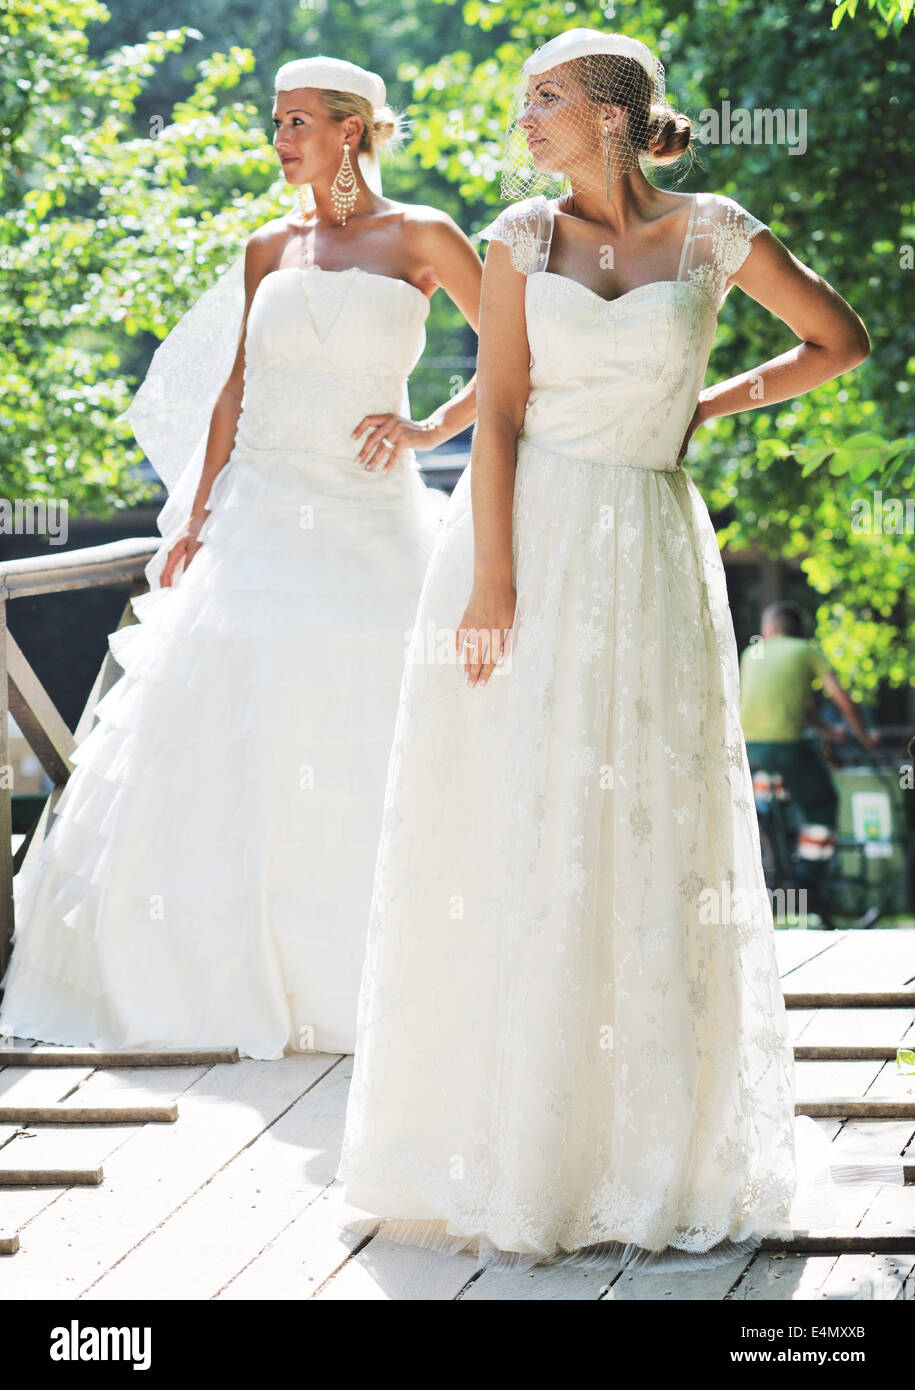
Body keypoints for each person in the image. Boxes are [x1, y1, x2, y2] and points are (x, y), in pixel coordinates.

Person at [336, 28, 886, 1269]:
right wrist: (488, 583)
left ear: (616, 116)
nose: (525, 118)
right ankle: (508, 1143)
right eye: (523, 100)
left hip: (650, 541)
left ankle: (644, 1154)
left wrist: (713, 398)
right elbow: (500, 422)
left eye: (548, 99)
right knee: (511, 820)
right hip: (524, 540)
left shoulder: (714, 231)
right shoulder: (518, 237)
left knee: (648, 822)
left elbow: (838, 339)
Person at [0, 56, 483, 1059]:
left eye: (298, 121)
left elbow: (520, 352)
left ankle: (380, 982)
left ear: (352, 130)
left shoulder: (423, 234)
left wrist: (434, 425)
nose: (280, 139)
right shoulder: (269, 246)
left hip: (370, 518)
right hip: (259, 511)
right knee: (233, 720)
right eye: (275, 122)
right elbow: (230, 389)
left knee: (366, 720)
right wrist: (194, 517)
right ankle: (200, 982)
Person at [740, 600, 879, 922]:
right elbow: (841, 699)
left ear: (770, 629)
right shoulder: (806, 650)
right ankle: (808, 884)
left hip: (750, 752)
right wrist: (862, 736)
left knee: (768, 806)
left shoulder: (752, 654)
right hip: (787, 747)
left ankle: (774, 874)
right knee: (822, 805)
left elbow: (798, 708)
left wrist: (829, 731)